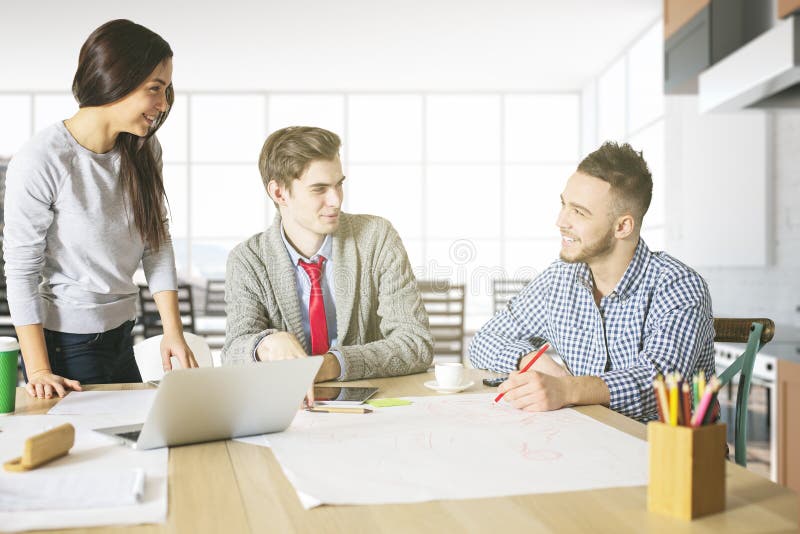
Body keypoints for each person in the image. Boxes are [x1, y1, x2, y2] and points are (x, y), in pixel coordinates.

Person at [3, 19, 197, 400]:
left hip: (123, 332)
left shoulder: (143, 150)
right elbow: (21, 272)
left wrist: (172, 332)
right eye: (155, 89)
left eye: (167, 90)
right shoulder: (42, 159)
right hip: (67, 346)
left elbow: (156, 243)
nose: (163, 104)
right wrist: (39, 369)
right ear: (116, 80)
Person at [469, 141, 715, 422]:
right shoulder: (560, 278)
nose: (561, 221)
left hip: (669, 453)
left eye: (579, 212)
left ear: (622, 226)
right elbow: (483, 341)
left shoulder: (678, 286)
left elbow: (658, 385)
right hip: (591, 439)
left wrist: (568, 389)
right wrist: (533, 361)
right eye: (564, 205)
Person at [221, 126, 433, 396]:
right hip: (286, 413)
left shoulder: (377, 238)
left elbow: (416, 343)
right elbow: (232, 353)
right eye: (319, 189)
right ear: (278, 193)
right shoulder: (248, 260)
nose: (336, 200)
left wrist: (330, 365)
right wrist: (265, 344)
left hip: (372, 412)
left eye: (339, 185)